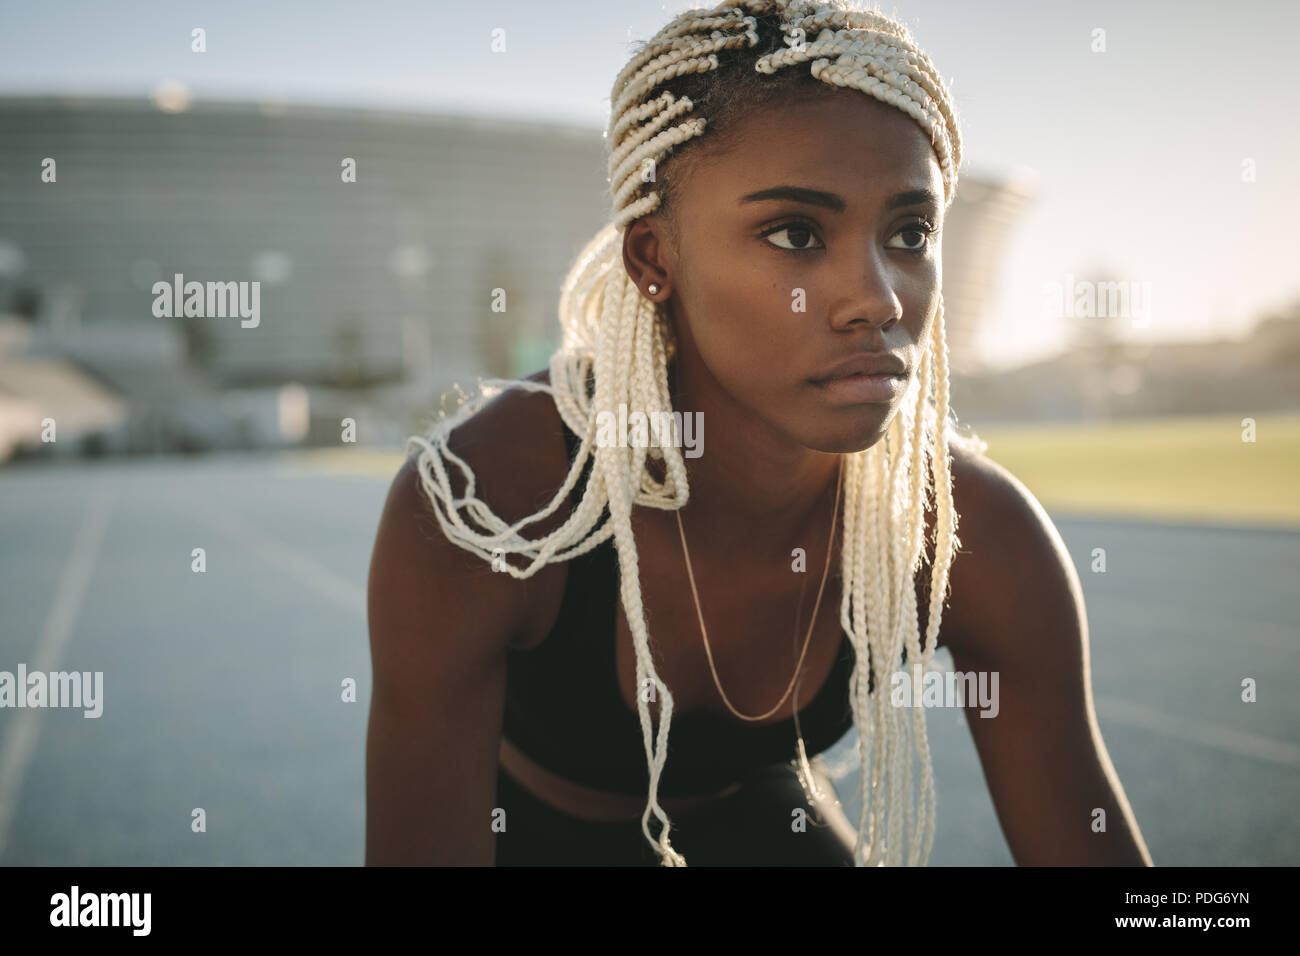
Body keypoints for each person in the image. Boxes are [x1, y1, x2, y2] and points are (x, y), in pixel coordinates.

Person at [365, 0, 1153, 867]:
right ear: (653, 261)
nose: (879, 298)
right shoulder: (491, 506)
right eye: (795, 233)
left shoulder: (970, 532)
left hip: (761, 828)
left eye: (909, 233)